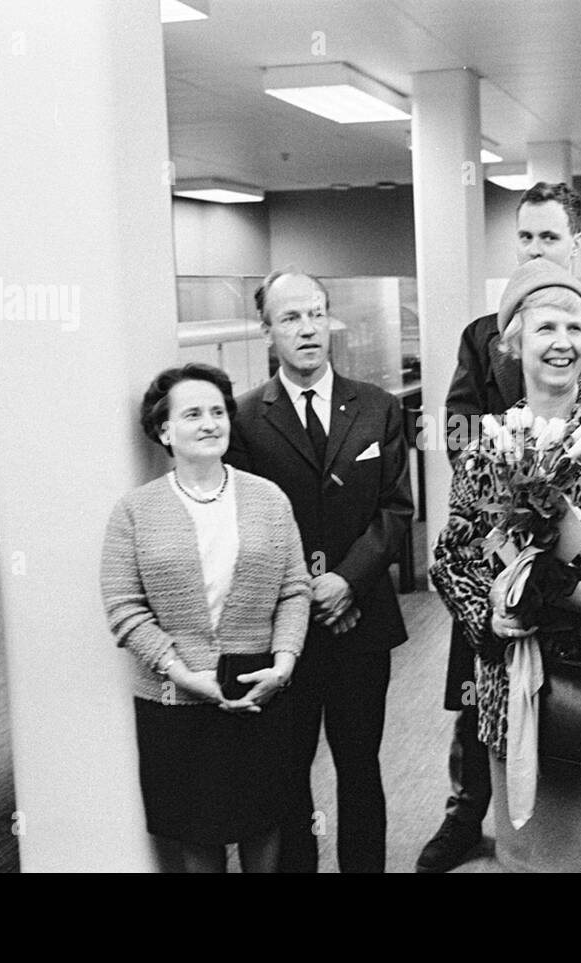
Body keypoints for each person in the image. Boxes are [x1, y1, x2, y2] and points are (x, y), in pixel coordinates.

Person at [430, 258, 581, 872]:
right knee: (532, 856)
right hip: (517, 685)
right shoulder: (490, 447)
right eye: (544, 328)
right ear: (513, 342)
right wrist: (491, 611)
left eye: (575, 327)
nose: (562, 342)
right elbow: (454, 553)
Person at [416, 181, 581, 874]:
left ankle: (565, 821)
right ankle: (467, 812)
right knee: (478, 686)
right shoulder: (484, 334)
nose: (536, 247)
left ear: (573, 242)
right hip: (495, 542)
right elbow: (460, 429)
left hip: (576, 543)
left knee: (575, 696)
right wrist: (506, 508)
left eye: (549, 235)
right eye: (526, 236)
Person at [225, 268, 412, 873]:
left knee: (361, 767)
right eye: (290, 318)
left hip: (363, 620)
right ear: (267, 331)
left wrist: (348, 580)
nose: (307, 330)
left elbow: (395, 509)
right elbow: (247, 526)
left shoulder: (378, 407)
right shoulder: (246, 419)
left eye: (315, 315)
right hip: (284, 631)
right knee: (289, 774)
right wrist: (308, 592)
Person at [100, 362, 309, 873]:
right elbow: (124, 608)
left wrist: (284, 663)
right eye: (192, 414)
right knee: (196, 836)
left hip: (258, 686)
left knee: (264, 826)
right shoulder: (135, 511)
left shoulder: (268, 498)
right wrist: (181, 672)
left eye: (218, 411)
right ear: (164, 429)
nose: (210, 422)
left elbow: (294, 590)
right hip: (175, 696)